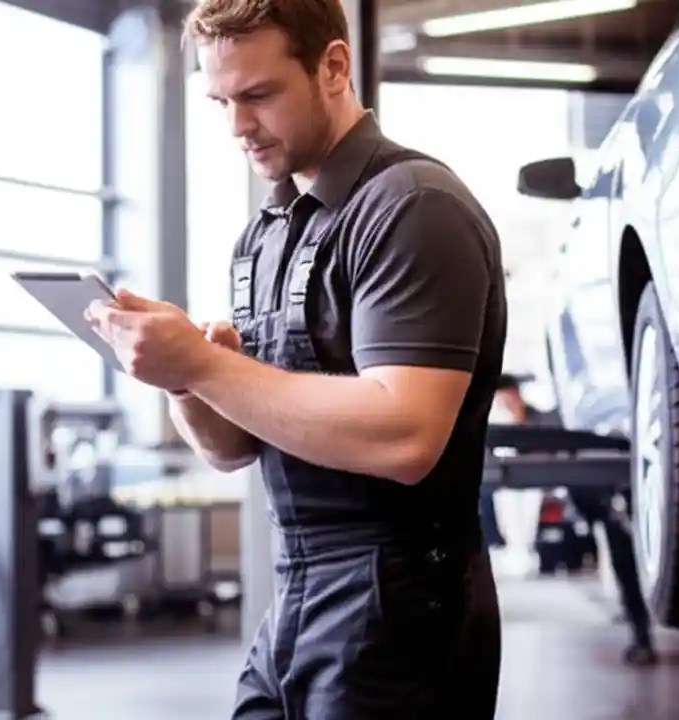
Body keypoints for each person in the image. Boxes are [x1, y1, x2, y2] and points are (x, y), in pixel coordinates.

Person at [85, 1, 507, 716]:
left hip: (402, 600)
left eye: (257, 95)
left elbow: (406, 435)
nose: (236, 126)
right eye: (220, 100)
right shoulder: (265, 234)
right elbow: (234, 448)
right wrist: (185, 378)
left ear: (334, 67)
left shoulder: (412, 208)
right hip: (295, 594)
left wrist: (212, 368)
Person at [493, 375, 657, 666]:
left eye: (506, 398)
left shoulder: (550, 421)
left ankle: (642, 632)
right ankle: (639, 627)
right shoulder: (517, 430)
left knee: (624, 552)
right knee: (621, 555)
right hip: (590, 500)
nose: (504, 404)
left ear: (516, 395)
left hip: (605, 492)